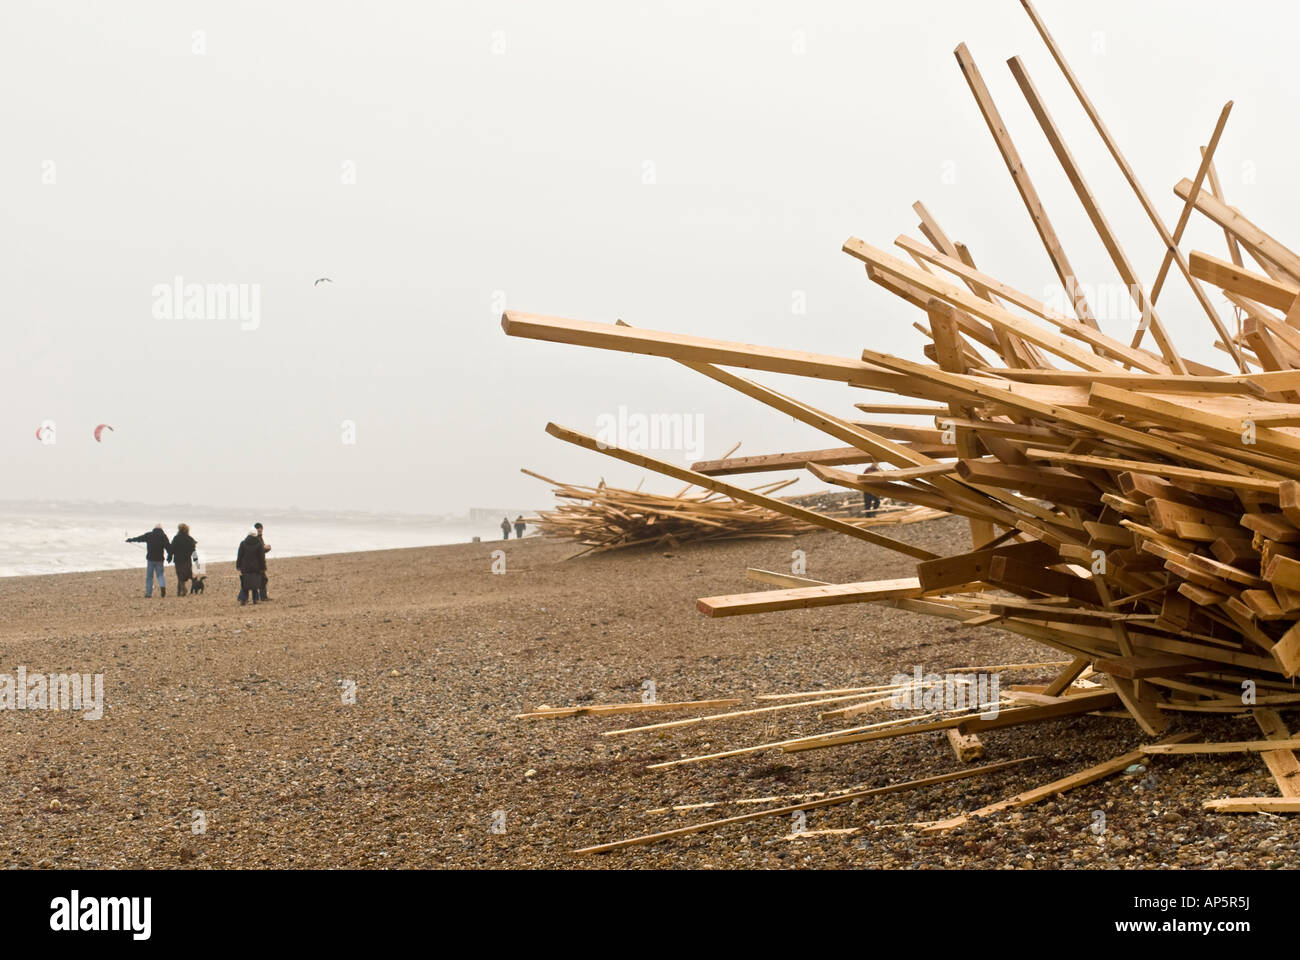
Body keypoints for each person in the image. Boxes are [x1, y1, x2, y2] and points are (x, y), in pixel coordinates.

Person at [126, 524, 172, 598]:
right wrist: (170, 556)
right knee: (160, 575)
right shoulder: (163, 536)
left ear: (154, 529)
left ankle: (148, 593)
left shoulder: (149, 535)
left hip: (150, 559)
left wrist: (131, 539)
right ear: (161, 529)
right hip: (160, 559)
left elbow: (139, 538)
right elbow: (168, 547)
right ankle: (162, 586)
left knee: (149, 577)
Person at [235, 528, 266, 605]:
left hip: (245, 567)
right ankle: (255, 599)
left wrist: (238, 565)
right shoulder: (259, 544)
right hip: (256, 567)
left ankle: (243, 599)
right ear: (255, 534)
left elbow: (239, 556)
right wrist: (263, 567)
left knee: (245, 583)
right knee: (255, 583)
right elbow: (261, 557)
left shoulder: (243, 543)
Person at [168, 523, 198, 596]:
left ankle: (182, 589)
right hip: (187, 560)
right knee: (185, 575)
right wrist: (195, 559)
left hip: (178, 560)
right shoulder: (190, 539)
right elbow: (193, 550)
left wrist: (169, 557)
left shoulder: (176, 538)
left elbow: (172, 549)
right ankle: (180, 591)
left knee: (180, 575)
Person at [254, 522, 272, 601]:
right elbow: (257, 550)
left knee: (262, 579)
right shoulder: (255, 538)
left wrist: (266, 549)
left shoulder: (260, 537)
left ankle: (262, 596)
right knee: (262, 579)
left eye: (261, 530)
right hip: (257, 563)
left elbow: (261, 551)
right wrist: (264, 548)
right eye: (259, 530)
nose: (260, 531)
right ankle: (262, 597)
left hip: (260, 562)